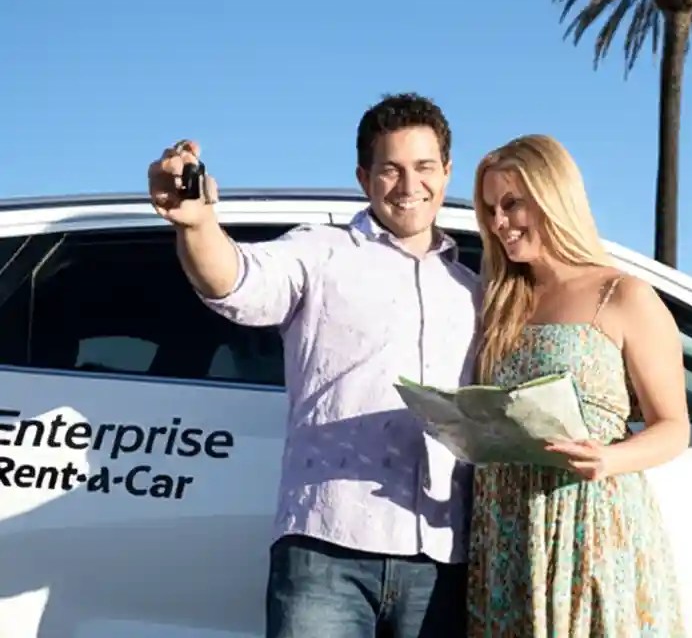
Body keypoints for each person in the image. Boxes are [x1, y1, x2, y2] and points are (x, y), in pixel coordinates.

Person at [145, 93, 480, 638]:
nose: (408, 185)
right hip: (327, 550)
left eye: (423, 168)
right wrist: (196, 225)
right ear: (363, 177)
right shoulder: (319, 252)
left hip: (442, 555)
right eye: (389, 169)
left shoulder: (474, 292)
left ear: (446, 171)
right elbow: (236, 282)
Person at [467, 134, 690, 637]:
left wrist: (607, 459)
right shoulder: (501, 300)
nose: (500, 222)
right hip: (507, 528)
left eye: (512, 204)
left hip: (587, 521)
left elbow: (673, 426)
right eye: (491, 210)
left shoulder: (623, 295)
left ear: (553, 197)